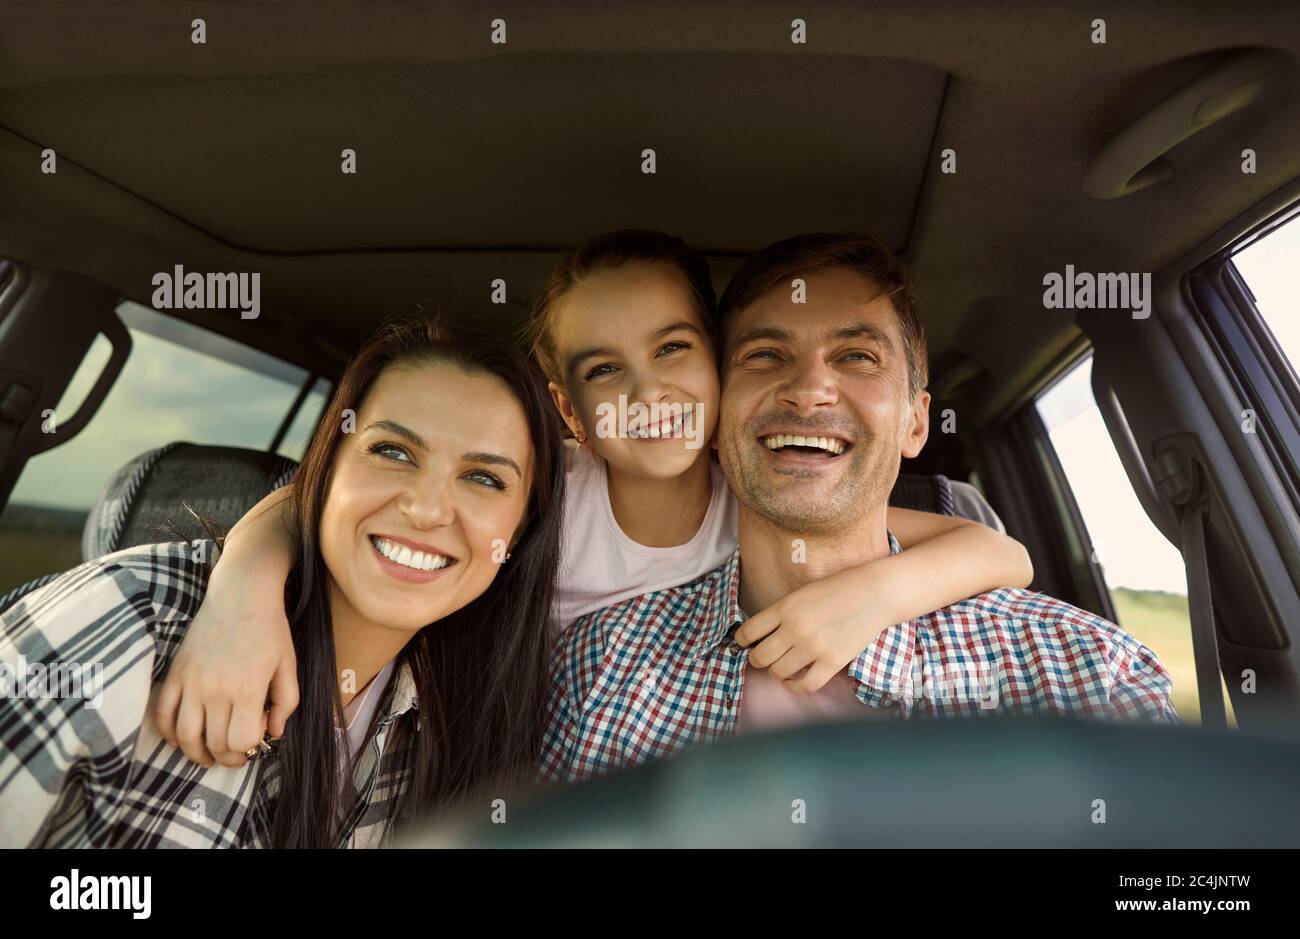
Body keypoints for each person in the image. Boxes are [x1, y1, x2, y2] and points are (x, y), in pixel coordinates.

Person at [152, 231, 1035, 771]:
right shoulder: (534, 485)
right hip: (485, 745)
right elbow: (323, 505)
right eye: (606, 370)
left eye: (675, 350)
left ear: (722, 372)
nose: (649, 395)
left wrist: (869, 594)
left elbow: (999, 551)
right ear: (569, 407)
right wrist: (240, 589)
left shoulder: (763, 507)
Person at [539, 232, 1179, 783]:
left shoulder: (1082, 670)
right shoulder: (599, 666)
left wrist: (878, 596)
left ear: (915, 422)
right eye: (765, 355)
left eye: (856, 357)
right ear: (719, 411)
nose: (810, 389)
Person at [0, 317, 565, 846]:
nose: (425, 508)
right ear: (325, 468)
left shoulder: (455, 716)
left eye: (484, 478)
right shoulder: (128, 620)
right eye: (392, 451)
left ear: (518, 533)